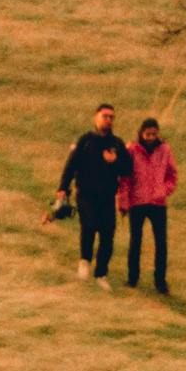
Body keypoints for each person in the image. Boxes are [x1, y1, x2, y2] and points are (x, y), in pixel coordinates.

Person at [57, 105, 130, 277]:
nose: (109, 120)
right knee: (89, 226)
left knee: (107, 234)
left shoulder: (117, 144)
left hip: (107, 196)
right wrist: (62, 188)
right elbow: (71, 165)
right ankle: (85, 261)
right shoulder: (85, 140)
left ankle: (101, 273)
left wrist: (115, 161)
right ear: (96, 118)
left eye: (112, 117)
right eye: (105, 116)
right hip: (86, 193)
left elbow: (128, 169)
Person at [118, 114, 176, 293]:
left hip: (158, 203)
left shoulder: (165, 150)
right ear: (141, 133)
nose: (150, 138)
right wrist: (124, 202)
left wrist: (164, 190)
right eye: (147, 134)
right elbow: (125, 178)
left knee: (161, 243)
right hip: (137, 201)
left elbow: (172, 174)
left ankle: (160, 281)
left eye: (154, 134)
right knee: (136, 241)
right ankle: (132, 278)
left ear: (157, 134)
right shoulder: (133, 151)